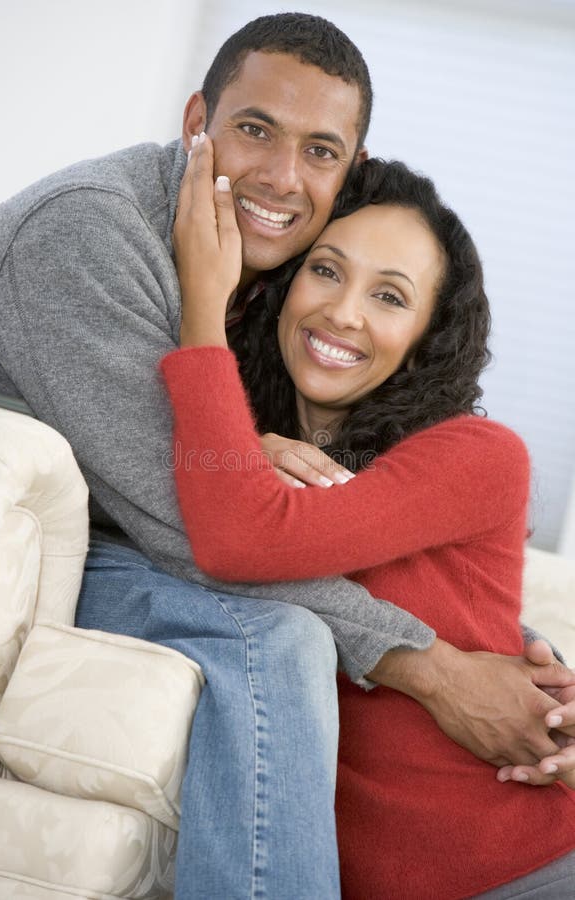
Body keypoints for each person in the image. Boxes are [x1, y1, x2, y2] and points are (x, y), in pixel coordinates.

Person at [0, 11, 573, 897]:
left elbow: (328, 534)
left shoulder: (280, 294)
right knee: (281, 638)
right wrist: (437, 669)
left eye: (319, 150)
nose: (283, 176)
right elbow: (211, 527)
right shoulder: (90, 234)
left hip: (525, 853)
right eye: (255, 129)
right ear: (197, 122)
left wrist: (528, 661)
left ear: (350, 168)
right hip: (89, 537)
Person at [162, 139, 575, 898]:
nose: (343, 312)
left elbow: (245, 537)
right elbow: (221, 530)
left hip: (533, 866)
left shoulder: (479, 456)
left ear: (424, 342)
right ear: (285, 286)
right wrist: (248, 449)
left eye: (389, 297)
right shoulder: (233, 464)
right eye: (325, 270)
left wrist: (202, 310)